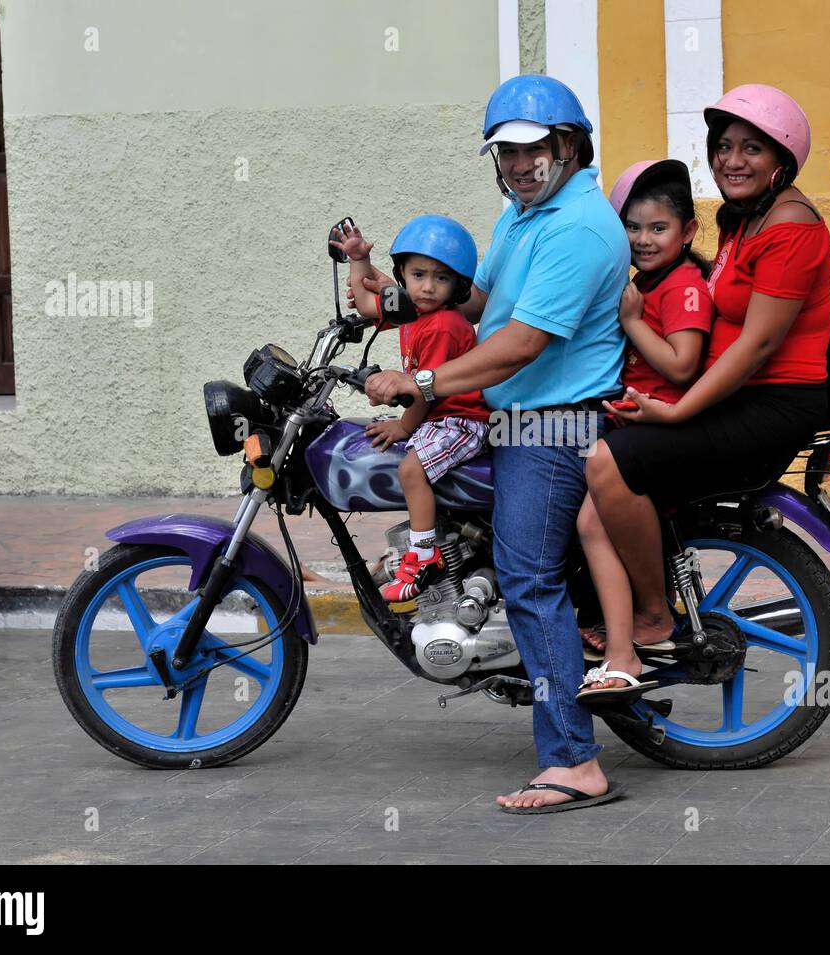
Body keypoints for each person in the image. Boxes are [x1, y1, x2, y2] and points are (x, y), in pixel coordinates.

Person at [363, 75, 631, 813]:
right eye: (505, 152)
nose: (517, 164)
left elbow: (520, 343)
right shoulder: (524, 214)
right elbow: (491, 304)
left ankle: (576, 761)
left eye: (531, 149)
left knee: (529, 578)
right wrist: (409, 295)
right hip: (517, 417)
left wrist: (421, 379)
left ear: (568, 146)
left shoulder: (574, 228)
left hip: (551, 423)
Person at [585, 84, 830, 673]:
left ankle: (653, 616)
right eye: (723, 147)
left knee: (606, 460)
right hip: (737, 399)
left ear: (782, 159)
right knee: (596, 503)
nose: (732, 160)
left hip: (773, 405)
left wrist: (676, 411)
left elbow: (760, 342)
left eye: (752, 148)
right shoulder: (743, 222)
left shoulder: (790, 226)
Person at [571, 159, 716, 703]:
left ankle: (651, 620)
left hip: (666, 425)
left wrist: (632, 321)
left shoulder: (682, 286)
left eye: (659, 228)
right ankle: (623, 642)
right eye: (633, 227)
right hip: (631, 417)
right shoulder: (645, 282)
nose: (644, 239)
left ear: (687, 232)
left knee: (592, 518)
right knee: (590, 523)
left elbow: (682, 365)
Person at [329, 214, 491, 602]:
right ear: (402, 274)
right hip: (435, 415)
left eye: (441, 278)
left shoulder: (444, 325)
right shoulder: (411, 311)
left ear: (458, 285)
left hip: (462, 419)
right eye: (418, 275)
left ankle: (423, 556)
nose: (428, 287)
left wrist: (404, 426)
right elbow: (368, 302)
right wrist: (357, 259)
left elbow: (425, 392)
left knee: (410, 468)